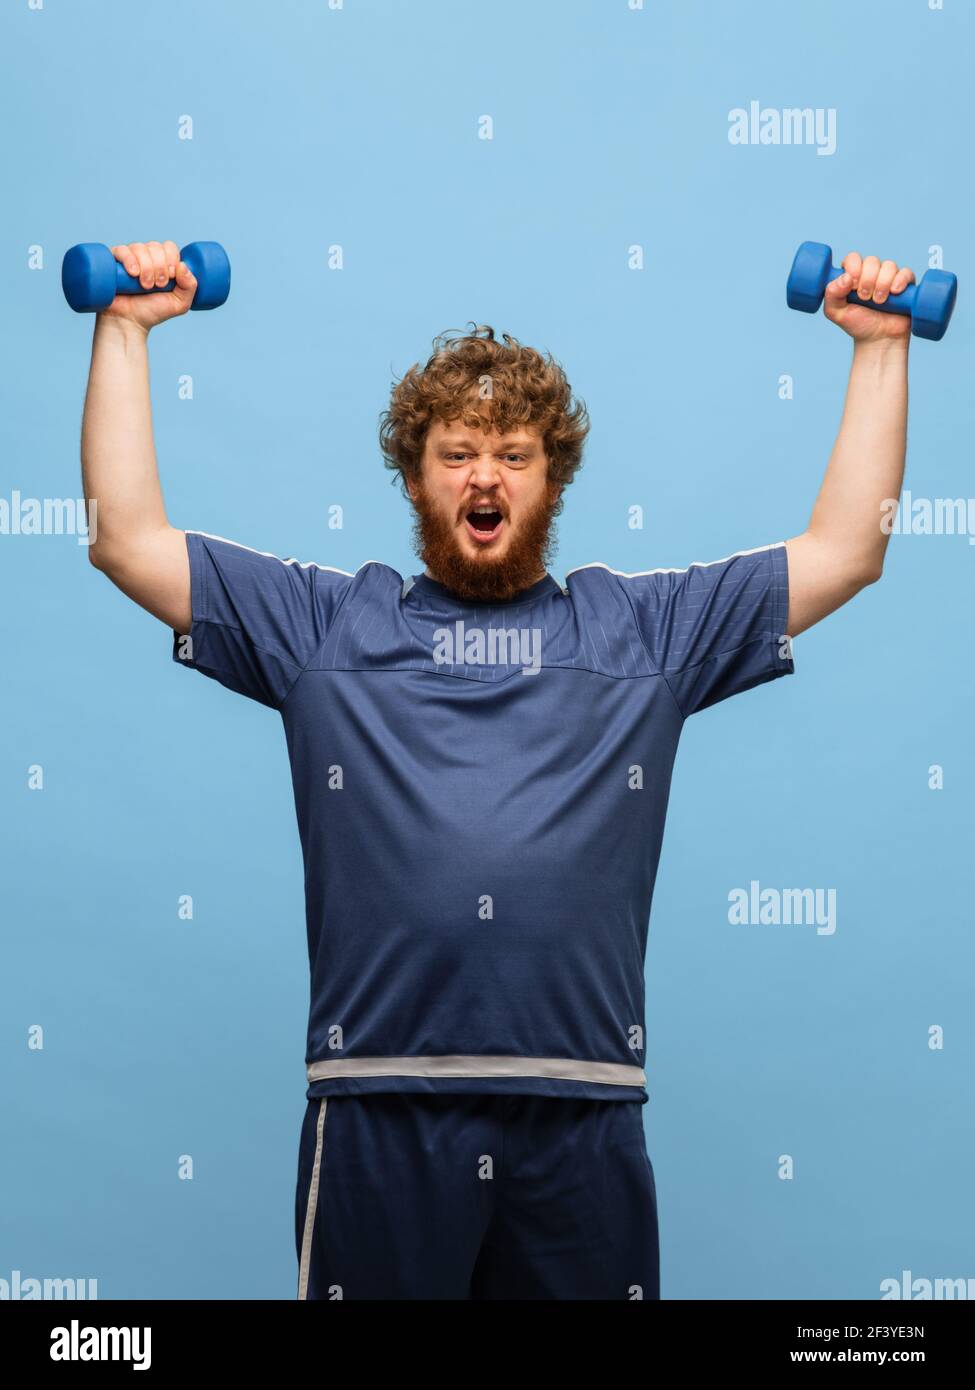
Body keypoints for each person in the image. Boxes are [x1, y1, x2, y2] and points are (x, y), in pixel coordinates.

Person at [82, 239, 912, 1300]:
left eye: (515, 452)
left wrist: (881, 348)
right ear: (416, 475)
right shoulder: (329, 625)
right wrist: (124, 327)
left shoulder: (639, 633)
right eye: (458, 450)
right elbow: (126, 539)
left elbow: (849, 549)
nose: (486, 474)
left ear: (550, 478)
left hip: (585, 1113)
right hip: (379, 1105)